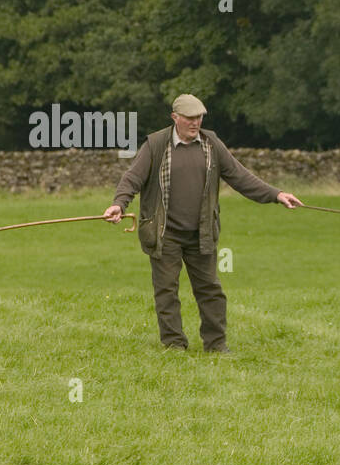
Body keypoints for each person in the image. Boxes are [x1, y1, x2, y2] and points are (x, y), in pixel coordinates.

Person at [103, 94, 303, 352]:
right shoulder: (155, 144)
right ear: (175, 118)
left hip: (202, 233)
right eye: (189, 118)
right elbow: (132, 179)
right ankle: (174, 345)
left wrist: (276, 194)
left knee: (211, 291)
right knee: (167, 292)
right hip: (165, 234)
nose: (195, 122)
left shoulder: (212, 144)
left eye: (199, 117)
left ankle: (216, 345)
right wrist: (119, 204)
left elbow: (241, 177)